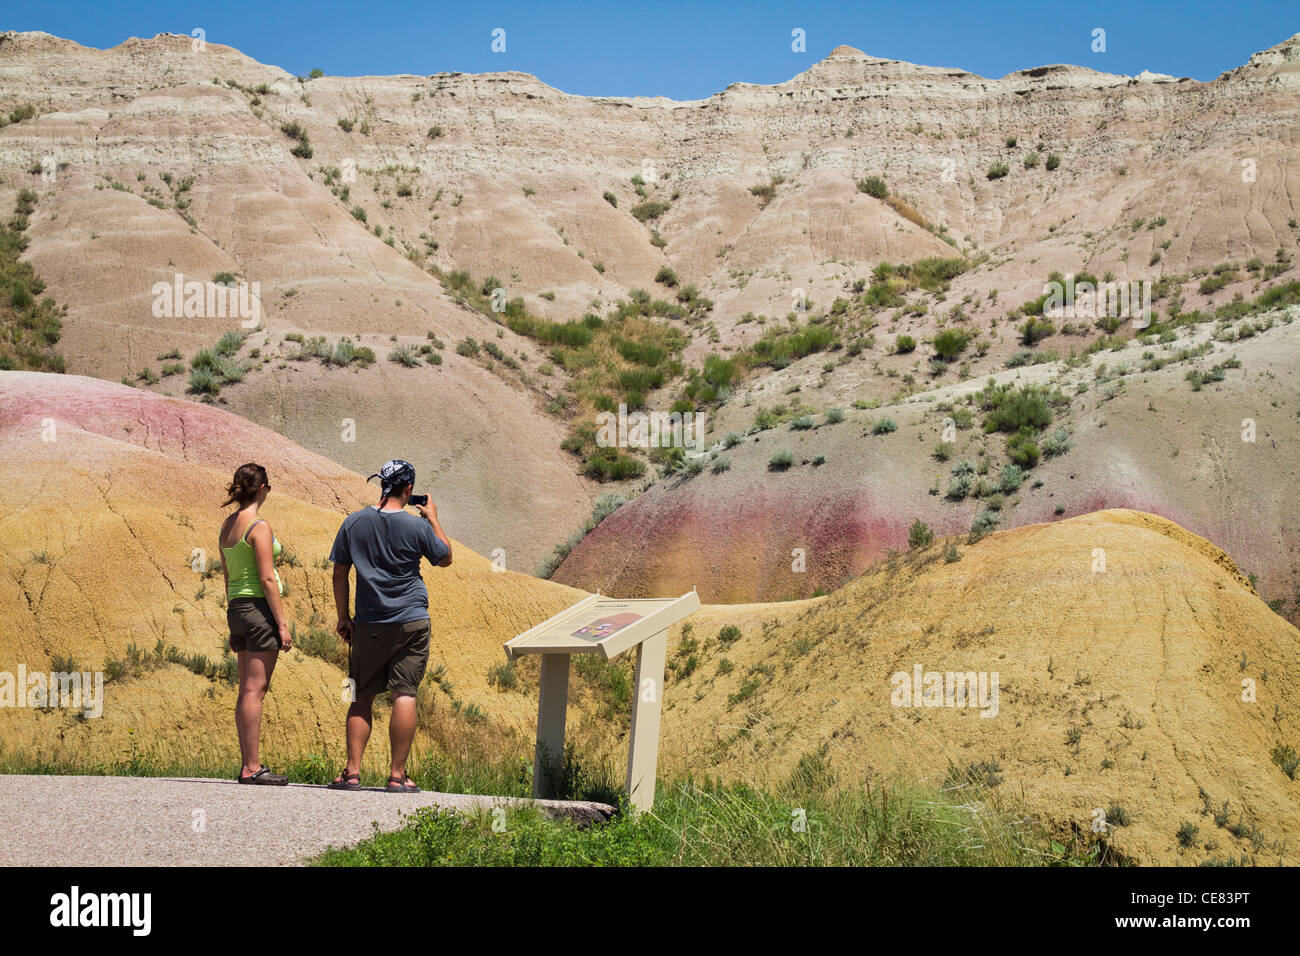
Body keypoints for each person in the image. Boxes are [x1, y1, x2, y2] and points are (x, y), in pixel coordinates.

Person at [327, 460, 452, 792]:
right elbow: (445, 557)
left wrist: (344, 617)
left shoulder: (353, 523)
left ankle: (352, 773)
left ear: (382, 485)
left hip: (369, 623)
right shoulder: (417, 527)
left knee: (361, 697)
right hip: (411, 620)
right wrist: (433, 518)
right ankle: (397, 776)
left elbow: (339, 573)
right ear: (409, 490)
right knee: (404, 694)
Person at [219, 462, 291, 785]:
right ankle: (252, 766)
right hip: (259, 610)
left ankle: (248, 763)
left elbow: (228, 576)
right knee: (255, 689)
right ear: (262, 489)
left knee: (245, 689)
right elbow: (266, 578)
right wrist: (282, 624)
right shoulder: (259, 527)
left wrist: (232, 621)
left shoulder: (227, 526)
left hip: (237, 608)